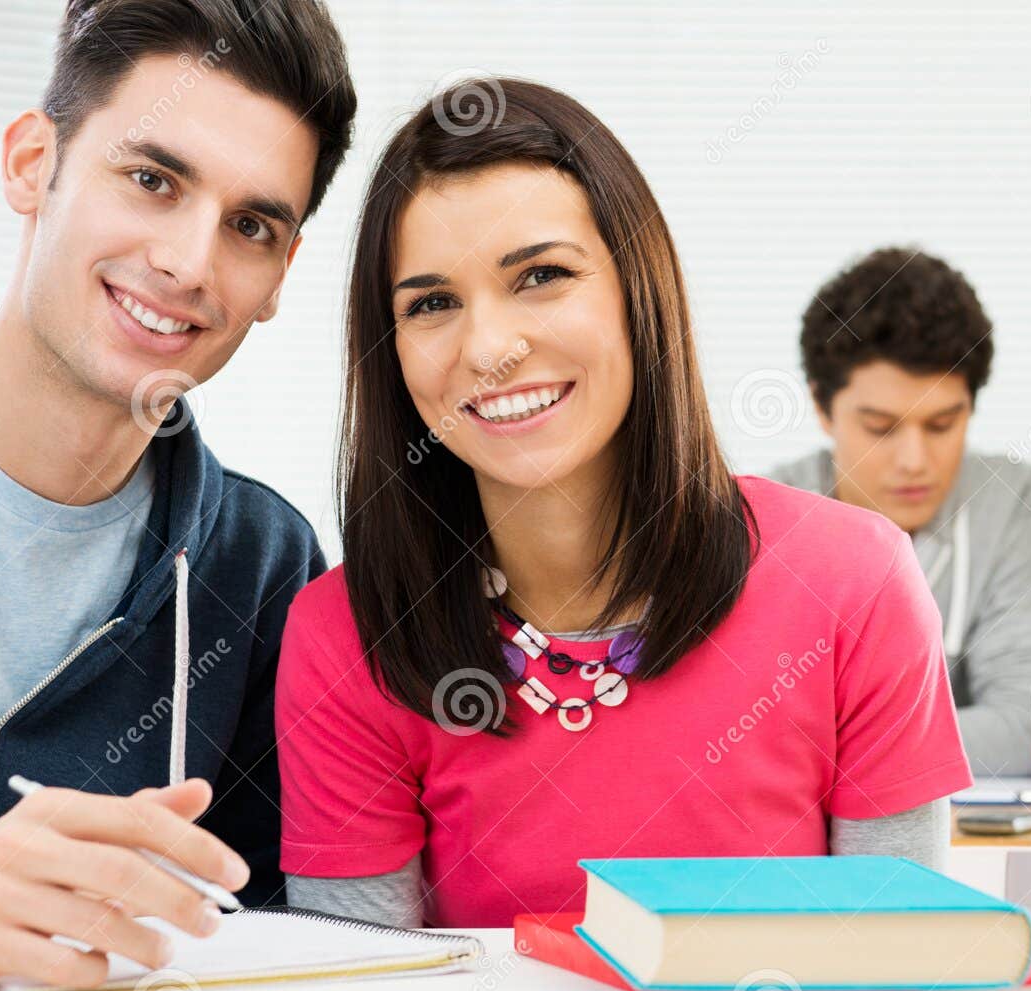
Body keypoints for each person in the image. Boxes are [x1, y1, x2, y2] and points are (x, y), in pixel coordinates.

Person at [275, 79, 972, 929]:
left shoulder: (854, 582)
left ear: (638, 292)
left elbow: (891, 981)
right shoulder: (344, 638)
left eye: (540, 275)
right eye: (431, 304)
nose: (490, 349)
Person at [0, 0, 357, 988]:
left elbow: (260, 948)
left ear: (280, 275)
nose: (188, 263)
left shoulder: (260, 568)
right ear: (33, 162)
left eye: (249, 225)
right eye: (152, 179)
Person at [769, 248, 1031, 777]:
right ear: (821, 408)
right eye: (880, 428)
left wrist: (830, 744)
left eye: (941, 425)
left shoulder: (1007, 499)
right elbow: (751, 739)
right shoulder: (768, 517)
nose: (914, 462)